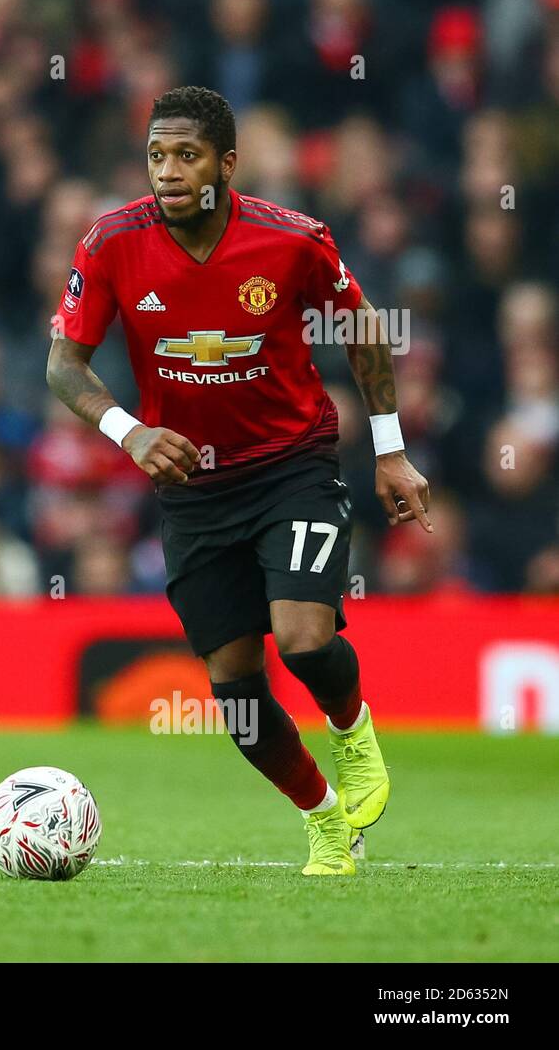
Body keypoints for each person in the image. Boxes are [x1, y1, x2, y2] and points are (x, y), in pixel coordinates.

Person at [46, 86, 432, 876]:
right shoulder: (111, 243)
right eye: (156, 155)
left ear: (227, 164)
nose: (168, 172)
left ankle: (353, 733)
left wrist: (390, 451)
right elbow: (63, 362)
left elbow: (360, 325)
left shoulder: (291, 240)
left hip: (292, 466)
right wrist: (131, 431)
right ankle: (324, 820)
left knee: (302, 636)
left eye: (186, 156)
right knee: (238, 694)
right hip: (193, 492)